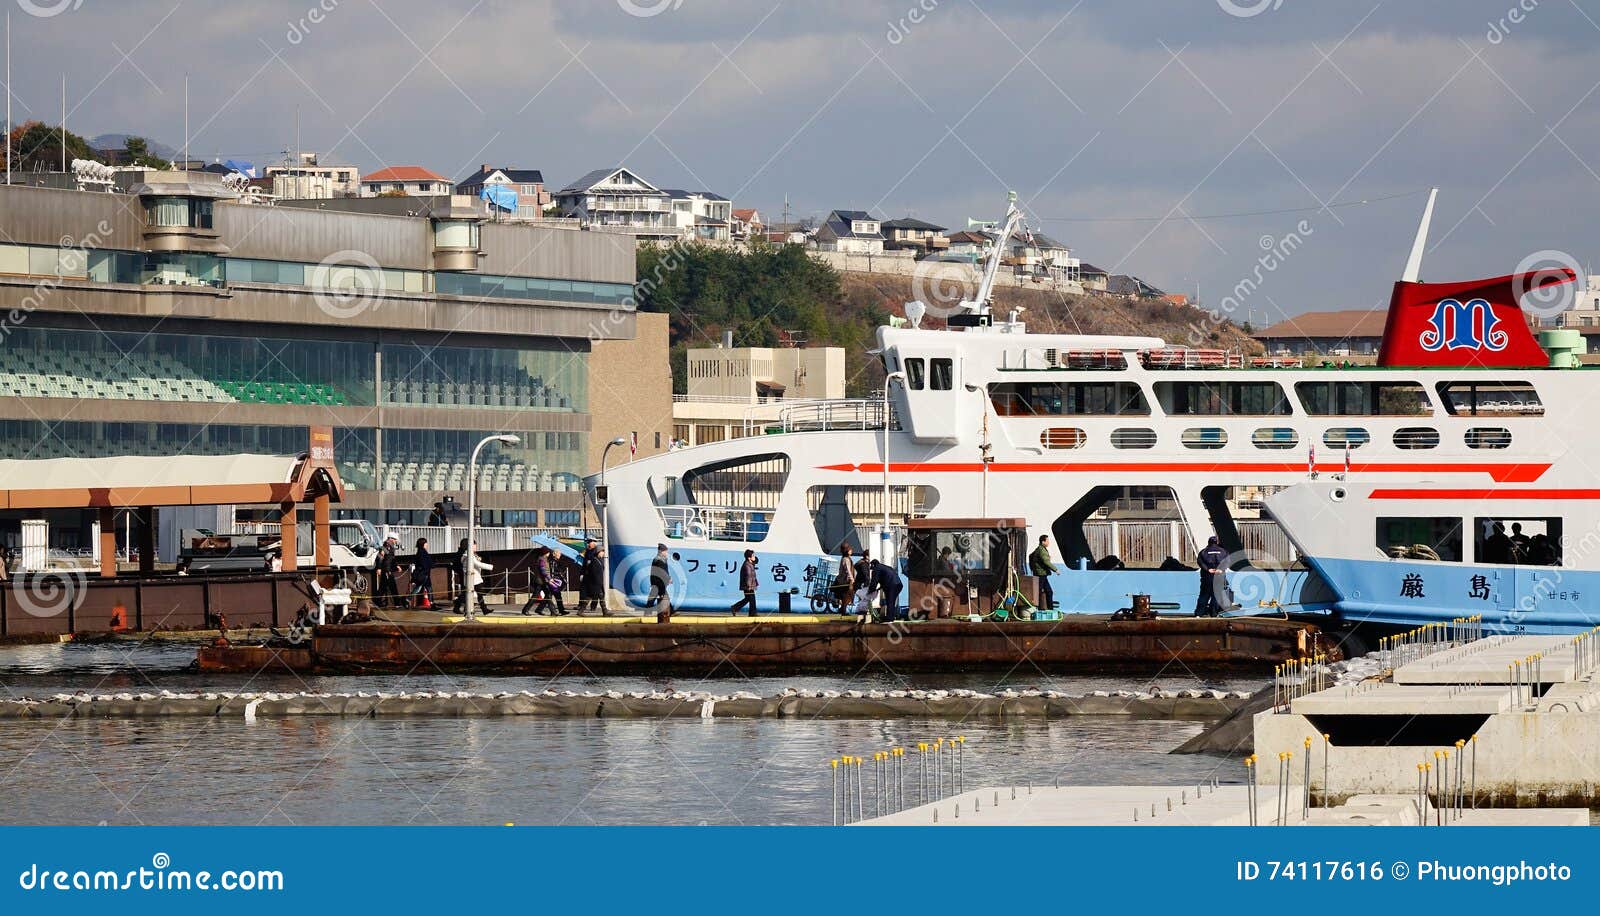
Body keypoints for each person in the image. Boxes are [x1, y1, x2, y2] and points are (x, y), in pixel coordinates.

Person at [1195, 535, 1229, 618]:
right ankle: (1213, 614)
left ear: (1208, 542)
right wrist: (1221, 569)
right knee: (1216, 596)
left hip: (1207, 577)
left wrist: (1208, 569)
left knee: (1204, 595)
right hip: (1219, 576)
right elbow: (1228, 561)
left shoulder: (1203, 552)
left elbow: (1200, 562)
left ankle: (1199, 614)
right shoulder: (1224, 551)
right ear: (1217, 542)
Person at [868, 554, 905, 621]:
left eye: (871, 566)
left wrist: (870, 591)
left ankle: (889, 618)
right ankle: (891, 616)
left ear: (873, 565)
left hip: (892, 585)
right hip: (898, 584)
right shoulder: (885, 567)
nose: (871, 568)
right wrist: (878, 589)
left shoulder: (876, 569)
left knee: (890, 601)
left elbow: (874, 581)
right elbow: (887, 577)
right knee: (891, 601)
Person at [1029, 535, 1060, 609]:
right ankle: (1040, 608)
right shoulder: (1041, 550)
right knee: (1040, 592)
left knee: (1049, 591)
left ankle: (1050, 609)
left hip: (1042, 574)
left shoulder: (1041, 549)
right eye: (1047, 541)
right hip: (1041, 574)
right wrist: (1056, 570)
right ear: (1043, 542)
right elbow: (1046, 562)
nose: (1048, 542)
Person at [578, 539, 606, 614]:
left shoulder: (599, 560)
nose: (603, 553)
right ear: (598, 552)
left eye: (589, 543)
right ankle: (581, 610)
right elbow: (591, 571)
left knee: (599, 596)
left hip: (598, 582)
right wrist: (582, 574)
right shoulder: (594, 560)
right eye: (602, 551)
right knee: (591, 596)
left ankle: (604, 611)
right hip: (595, 582)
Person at [729, 549, 759, 615]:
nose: (754, 557)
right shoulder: (747, 565)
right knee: (752, 599)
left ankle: (735, 607)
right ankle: (752, 614)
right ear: (749, 558)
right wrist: (749, 586)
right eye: (753, 555)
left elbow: (756, 561)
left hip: (749, 585)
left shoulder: (750, 564)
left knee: (748, 599)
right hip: (748, 585)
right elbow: (748, 576)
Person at [374, 535, 401, 608]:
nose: (396, 541)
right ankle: (397, 603)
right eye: (395, 540)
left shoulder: (391, 547)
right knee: (392, 586)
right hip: (386, 569)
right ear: (391, 539)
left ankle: (378, 602)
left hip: (387, 569)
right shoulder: (386, 545)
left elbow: (392, 558)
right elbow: (381, 556)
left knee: (383, 587)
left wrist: (397, 566)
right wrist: (379, 568)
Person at [647, 543, 673, 611]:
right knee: (665, 597)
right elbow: (662, 572)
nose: (666, 553)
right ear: (661, 551)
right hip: (659, 582)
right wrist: (668, 578)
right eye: (665, 551)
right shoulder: (659, 560)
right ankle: (671, 611)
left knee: (653, 597)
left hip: (658, 582)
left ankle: (647, 611)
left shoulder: (660, 559)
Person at [831, 543, 856, 614]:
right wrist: (852, 579)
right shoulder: (845, 559)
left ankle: (842, 610)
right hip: (845, 581)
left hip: (845, 580)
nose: (851, 551)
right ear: (847, 551)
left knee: (846, 596)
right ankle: (843, 611)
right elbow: (847, 570)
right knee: (846, 596)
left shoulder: (846, 558)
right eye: (850, 550)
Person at [410, 537, 434, 608]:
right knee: (421, 588)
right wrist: (431, 565)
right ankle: (407, 598)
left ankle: (432, 603)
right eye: (426, 543)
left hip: (424, 573)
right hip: (424, 574)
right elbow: (425, 563)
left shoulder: (421, 552)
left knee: (423, 588)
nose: (427, 544)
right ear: (423, 544)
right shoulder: (422, 552)